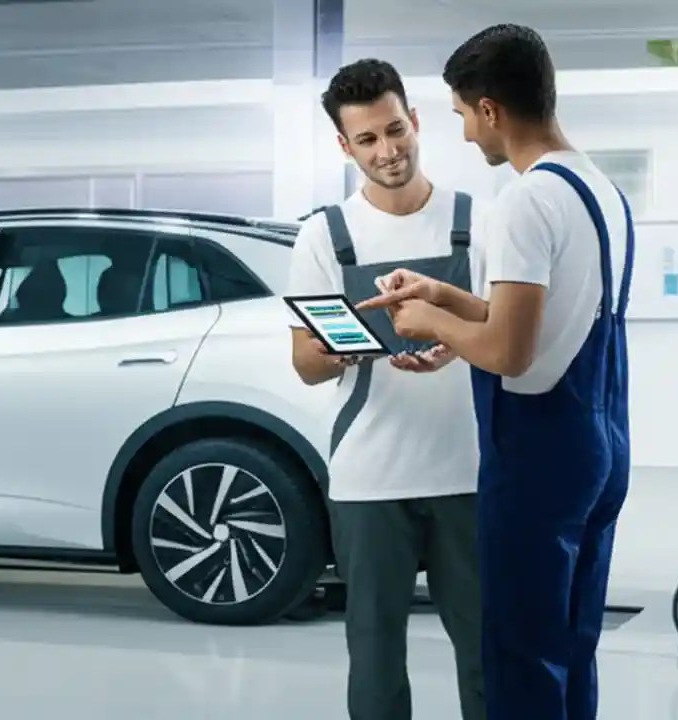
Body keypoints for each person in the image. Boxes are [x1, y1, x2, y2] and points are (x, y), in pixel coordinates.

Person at [358, 25, 635, 720]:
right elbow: (545, 317)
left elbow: (511, 353)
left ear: (489, 110)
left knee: (517, 653)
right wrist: (444, 297)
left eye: (459, 116)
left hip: (538, 451)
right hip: (599, 438)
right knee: (569, 645)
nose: (463, 134)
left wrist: (426, 325)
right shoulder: (598, 188)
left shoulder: (523, 198)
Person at [285, 58, 486, 720]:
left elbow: (508, 337)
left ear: (416, 121)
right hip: (370, 479)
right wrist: (339, 352)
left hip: (470, 472)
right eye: (367, 140)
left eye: (395, 130)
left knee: (487, 647)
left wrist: (452, 342)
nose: (388, 150)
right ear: (345, 147)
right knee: (374, 654)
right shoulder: (324, 237)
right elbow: (304, 366)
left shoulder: (476, 222)